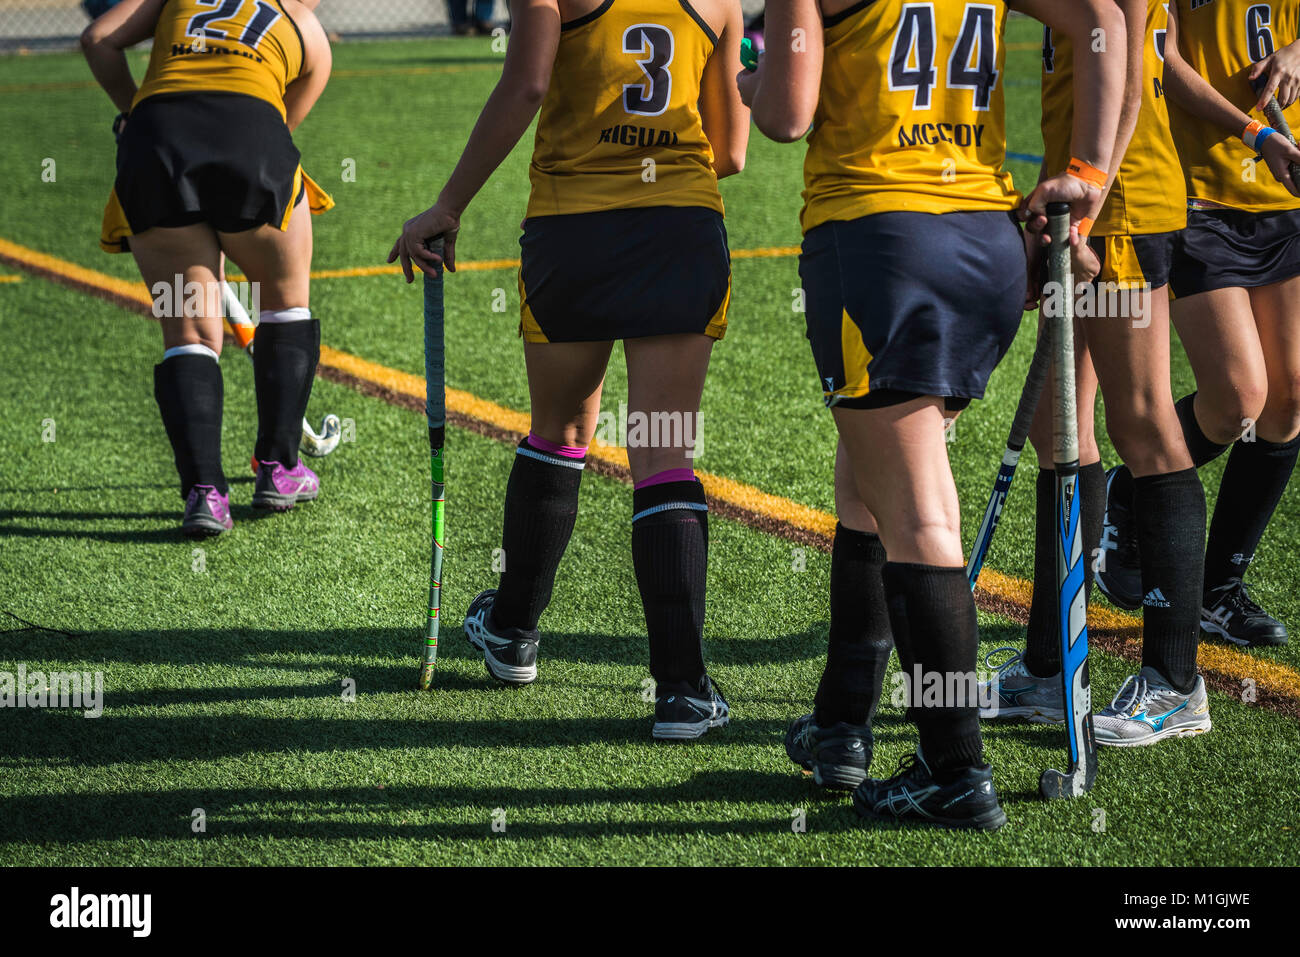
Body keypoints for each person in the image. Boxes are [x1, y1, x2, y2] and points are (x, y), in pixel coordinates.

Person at [741, 0, 1125, 828]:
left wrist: (753, 78)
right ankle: (842, 720)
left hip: (878, 235)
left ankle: (954, 767)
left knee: (916, 508)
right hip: (981, 238)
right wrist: (1088, 178)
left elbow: (786, 114)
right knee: (870, 479)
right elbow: (1102, 15)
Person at [390, 0, 749, 739]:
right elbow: (732, 152)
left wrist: (448, 203)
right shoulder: (721, 3)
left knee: (559, 429)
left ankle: (514, 629)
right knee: (664, 450)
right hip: (680, 226)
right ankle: (680, 689)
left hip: (571, 231)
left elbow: (525, 88)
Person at [984, 0, 1221, 747]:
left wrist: (1089, 195)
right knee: (1067, 423)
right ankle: (1055, 667)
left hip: (1118, 206)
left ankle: (1176, 682)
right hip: (1089, 202)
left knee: (1143, 420)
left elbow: (1122, 65)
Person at [83, 0, 333, 537]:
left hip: (157, 144)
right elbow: (283, 124)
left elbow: (98, 38)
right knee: (285, 305)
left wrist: (136, 111)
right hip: (251, 139)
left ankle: (205, 493)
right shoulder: (303, 24)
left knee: (188, 333)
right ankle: (278, 468)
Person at [1100, 0, 1300, 651]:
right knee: (1240, 396)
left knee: (1290, 399)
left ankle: (1220, 591)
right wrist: (1252, 132)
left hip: (1285, 188)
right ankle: (1130, 489)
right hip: (1201, 189)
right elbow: (1162, 56)